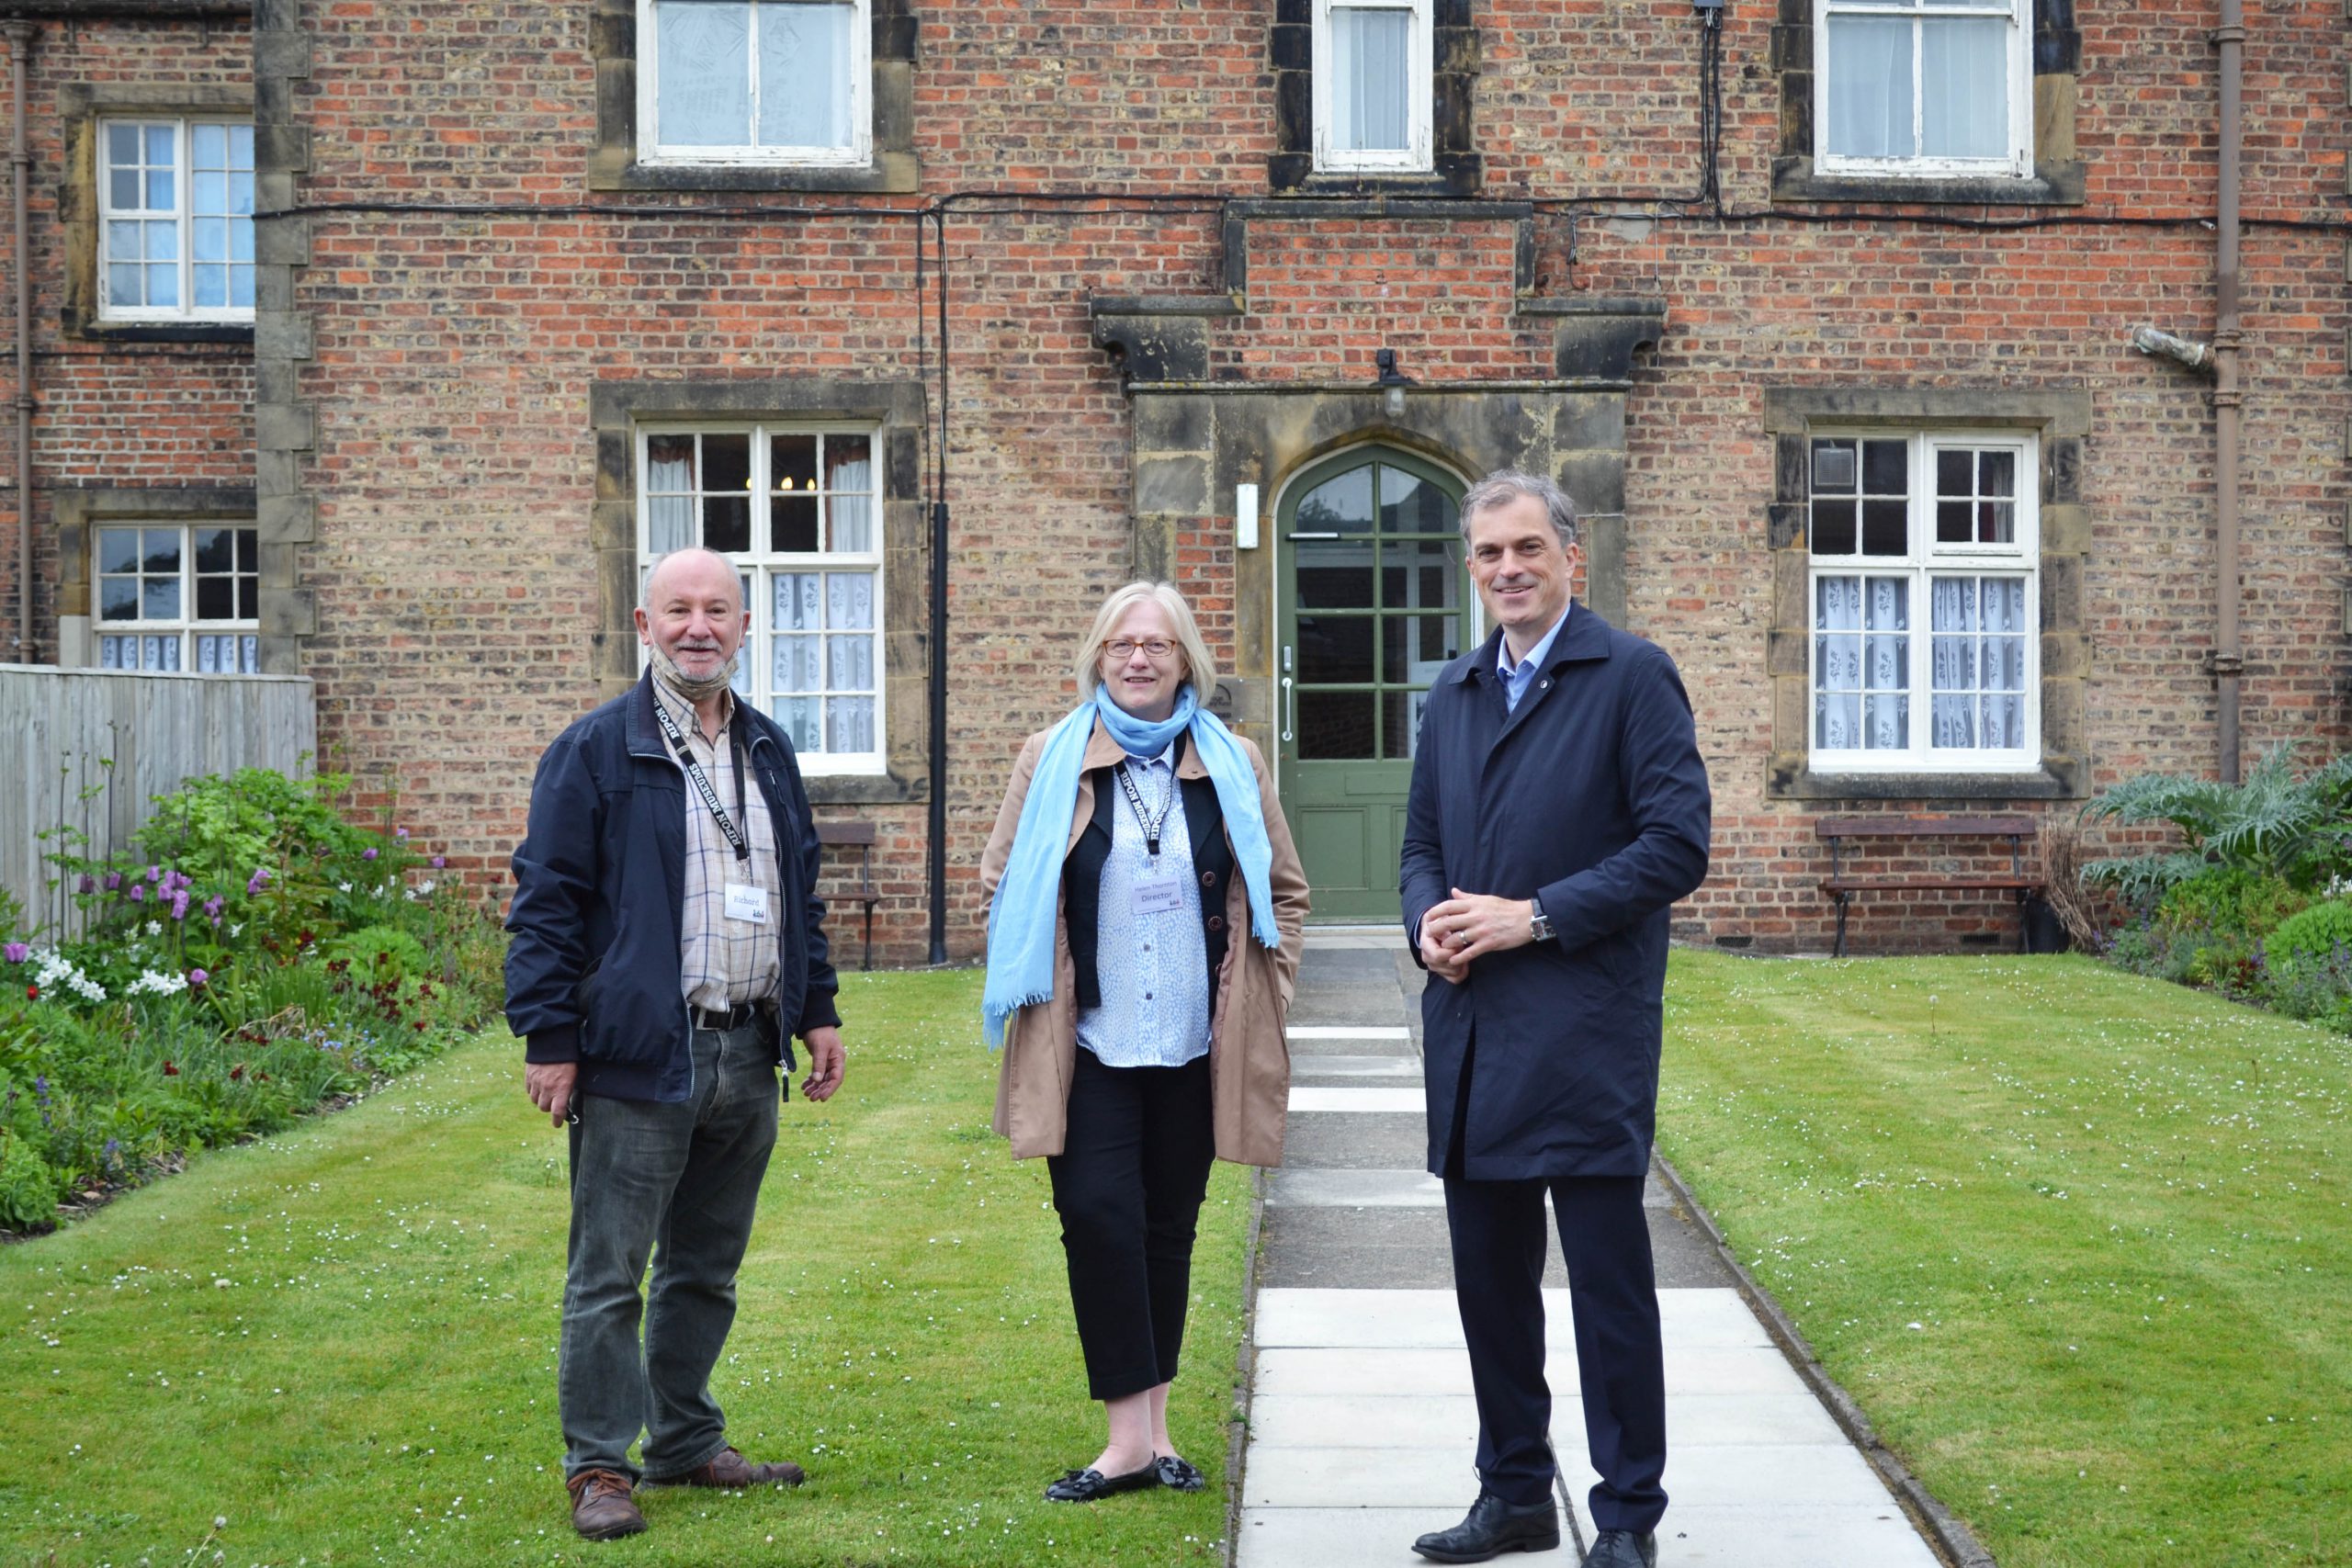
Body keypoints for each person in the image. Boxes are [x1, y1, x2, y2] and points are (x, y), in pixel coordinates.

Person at [1399, 473, 1712, 1568]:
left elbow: (1677, 846)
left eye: (1526, 547)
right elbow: (1420, 851)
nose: (1507, 569)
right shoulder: (1454, 689)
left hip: (1584, 1036)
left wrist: (1533, 917)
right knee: (1490, 1291)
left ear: (1569, 556)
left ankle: (1626, 1517)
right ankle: (1515, 1495)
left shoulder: (1630, 676)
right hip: (1474, 1036)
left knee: (1608, 1296)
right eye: (1487, 554)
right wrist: (1424, 928)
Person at [504, 547, 847, 1542]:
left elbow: (798, 900)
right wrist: (550, 1039)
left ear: (745, 626)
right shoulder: (596, 750)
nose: (699, 626)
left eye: (719, 610)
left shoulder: (769, 750)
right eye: (677, 610)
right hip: (640, 1056)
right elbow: (547, 907)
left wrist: (814, 1011)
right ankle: (599, 1467)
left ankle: (686, 1441)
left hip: (748, 1049)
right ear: (643, 624)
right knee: (608, 1273)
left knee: (705, 1268)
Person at [979, 581, 1308, 1505]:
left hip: (1195, 1046)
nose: (1137, 659)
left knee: (1166, 1230)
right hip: (1086, 1046)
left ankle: (1154, 1434)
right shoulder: (1048, 758)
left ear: (1185, 662)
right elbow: (1000, 882)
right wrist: (1033, 968)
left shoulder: (1233, 762)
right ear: (1096, 655)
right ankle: (1125, 1440)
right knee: (1097, 1219)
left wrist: (1261, 990)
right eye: (1121, 644)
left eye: (1157, 646)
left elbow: (1285, 890)